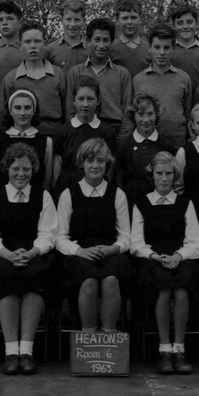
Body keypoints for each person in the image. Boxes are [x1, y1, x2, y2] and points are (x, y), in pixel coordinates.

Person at [0, 143, 58, 375]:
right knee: (6, 276)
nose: (21, 173)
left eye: (26, 168)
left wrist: (32, 253)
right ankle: (11, 351)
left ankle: (27, 351)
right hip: (3, 252)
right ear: (6, 169)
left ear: (34, 169)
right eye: (15, 168)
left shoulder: (43, 196)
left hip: (34, 252)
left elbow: (48, 234)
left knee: (36, 277)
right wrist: (8, 254)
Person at [130, 152, 199, 375]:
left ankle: (179, 350)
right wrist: (154, 256)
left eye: (169, 174)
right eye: (159, 174)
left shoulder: (184, 203)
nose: (164, 179)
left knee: (182, 289)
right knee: (163, 289)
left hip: (180, 257)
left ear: (175, 176)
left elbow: (195, 241)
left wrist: (179, 256)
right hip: (152, 259)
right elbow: (136, 242)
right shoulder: (141, 203)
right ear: (151, 176)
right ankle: (164, 350)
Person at [54, 138, 133, 334]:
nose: (95, 165)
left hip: (109, 252)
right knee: (88, 281)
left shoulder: (117, 194)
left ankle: (109, 337)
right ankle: (88, 338)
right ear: (82, 164)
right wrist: (79, 251)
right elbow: (60, 237)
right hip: (79, 254)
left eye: (100, 160)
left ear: (108, 163)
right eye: (90, 161)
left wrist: (112, 249)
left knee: (111, 280)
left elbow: (125, 236)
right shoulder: (68, 194)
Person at [65, 18, 133, 141]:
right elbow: (70, 109)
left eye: (106, 40)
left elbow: (128, 112)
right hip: (82, 129)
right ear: (88, 41)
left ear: (112, 42)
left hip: (114, 131)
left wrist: (121, 141)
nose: (101, 45)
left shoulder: (122, 74)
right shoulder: (76, 72)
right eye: (97, 40)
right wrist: (75, 135)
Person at [129, 23, 192, 148]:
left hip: (177, 143)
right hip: (147, 144)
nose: (161, 53)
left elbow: (188, 113)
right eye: (157, 47)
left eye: (166, 48)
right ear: (149, 48)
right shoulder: (138, 80)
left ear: (173, 48)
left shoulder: (183, 78)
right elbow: (133, 114)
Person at [0, 21, 66, 136]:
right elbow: (2, 115)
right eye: (28, 42)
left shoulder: (58, 74)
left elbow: (67, 110)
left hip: (55, 136)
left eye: (37, 41)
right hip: (21, 138)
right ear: (20, 45)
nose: (33, 46)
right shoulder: (11, 78)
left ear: (45, 44)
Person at [53, 75, 117, 194]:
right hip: (68, 187)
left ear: (98, 100)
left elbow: (110, 169)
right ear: (73, 100)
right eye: (81, 99)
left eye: (90, 99)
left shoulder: (107, 132)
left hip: (98, 188)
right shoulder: (62, 132)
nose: (85, 104)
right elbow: (57, 170)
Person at [113, 93, 173, 207]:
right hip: (130, 201)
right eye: (140, 114)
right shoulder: (124, 145)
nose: (146, 120)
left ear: (156, 115)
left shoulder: (165, 144)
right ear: (133, 116)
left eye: (150, 114)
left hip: (158, 202)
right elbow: (118, 176)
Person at [0, 89, 54, 192]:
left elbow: (46, 180)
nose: (22, 113)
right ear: (10, 111)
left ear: (34, 110)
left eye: (27, 108)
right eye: (17, 108)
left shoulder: (46, 142)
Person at [168, 4, 199, 86]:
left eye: (189, 22)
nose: (185, 26)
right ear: (173, 26)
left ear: (196, 24)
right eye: (180, 23)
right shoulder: (168, 50)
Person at [108, 0, 151, 78]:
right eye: (125, 18)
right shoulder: (111, 48)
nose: (129, 22)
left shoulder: (149, 48)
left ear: (140, 18)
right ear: (117, 20)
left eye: (133, 17)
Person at [44, 0, 89, 71]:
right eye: (68, 19)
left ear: (83, 22)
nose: (72, 24)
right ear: (62, 21)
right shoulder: (51, 49)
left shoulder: (90, 49)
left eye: (77, 20)